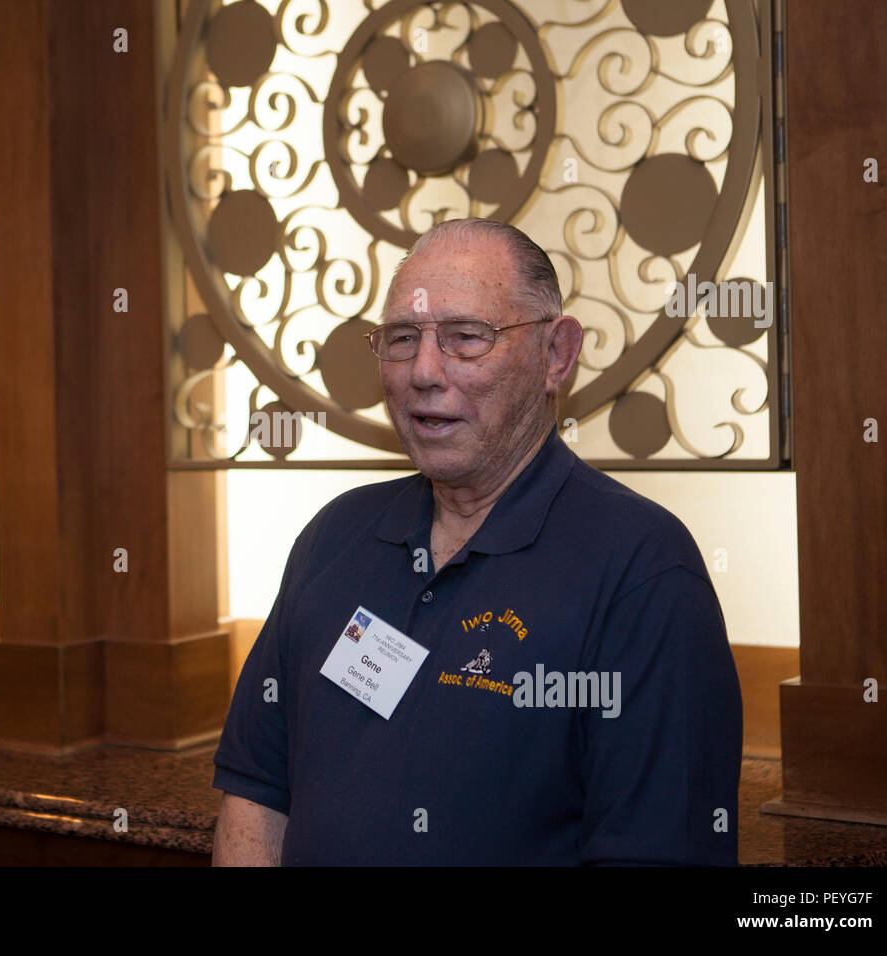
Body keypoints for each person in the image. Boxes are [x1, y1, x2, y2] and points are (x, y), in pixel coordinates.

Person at [210, 218, 743, 866]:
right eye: (403, 339)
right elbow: (257, 794)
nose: (425, 372)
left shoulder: (643, 572)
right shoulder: (332, 540)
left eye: (466, 338)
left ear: (556, 355)